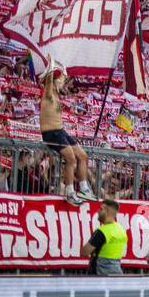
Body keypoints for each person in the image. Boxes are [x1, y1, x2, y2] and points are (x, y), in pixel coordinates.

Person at [40, 67, 95, 204]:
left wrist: (64, 70)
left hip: (61, 131)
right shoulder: (48, 94)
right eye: (60, 81)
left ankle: (84, 188)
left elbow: (64, 80)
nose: (63, 83)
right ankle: (70, 192)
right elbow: (48, 81)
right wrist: (52, 67)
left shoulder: (57, 95)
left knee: (82, 155)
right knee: (71, 159)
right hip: (50, 133)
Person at [81, 199, 126, 276]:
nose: (98, 211)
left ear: (107, 212)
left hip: (99, 275)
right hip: (116, 273)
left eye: (101, 209)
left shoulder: (102, 231)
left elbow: (84, 252)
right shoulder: (121, 229)